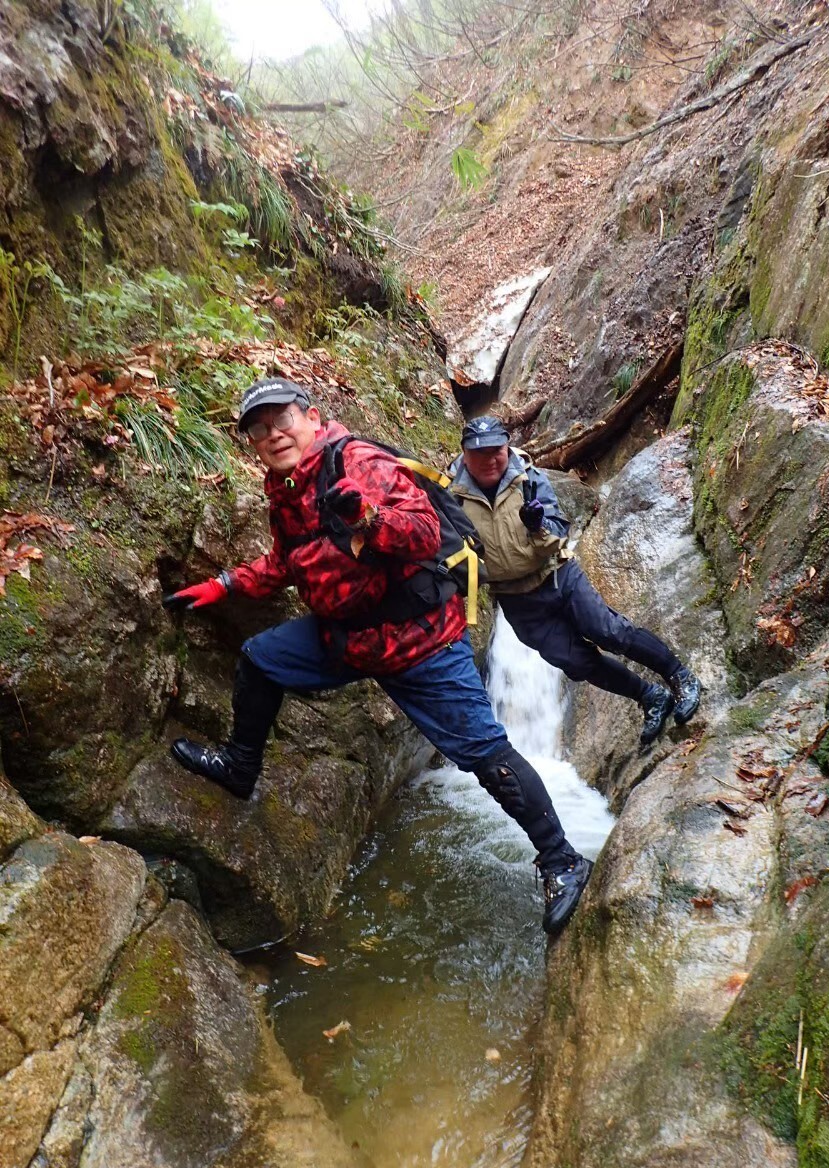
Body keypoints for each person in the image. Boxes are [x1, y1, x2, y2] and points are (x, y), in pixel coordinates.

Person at [163, 379, 591, 935]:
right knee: (260, 658)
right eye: (260, 429)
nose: (273, 434)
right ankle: (241, 770)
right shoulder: (285, 486)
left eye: (283, 420)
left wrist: (367, 520)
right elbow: (289, 561)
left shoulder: (356, 461)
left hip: (421, 644)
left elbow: (423, 531)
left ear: (312, 417)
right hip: (347, 638)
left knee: (485, 754)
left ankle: (562, 860)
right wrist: (226, 585)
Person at [449, 415, 702, 744]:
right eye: (481, 452)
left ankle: (679, 676)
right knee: (576, 662)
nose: (491, 459)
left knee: (609, 631)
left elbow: (558, 531)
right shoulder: (451, 496)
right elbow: (447, 547)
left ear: (507, 446)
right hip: (516, 601)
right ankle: (650, 697)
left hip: (558, 576)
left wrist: (537, 525)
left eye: (497, 449)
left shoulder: (527, 477)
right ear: (465, 454)